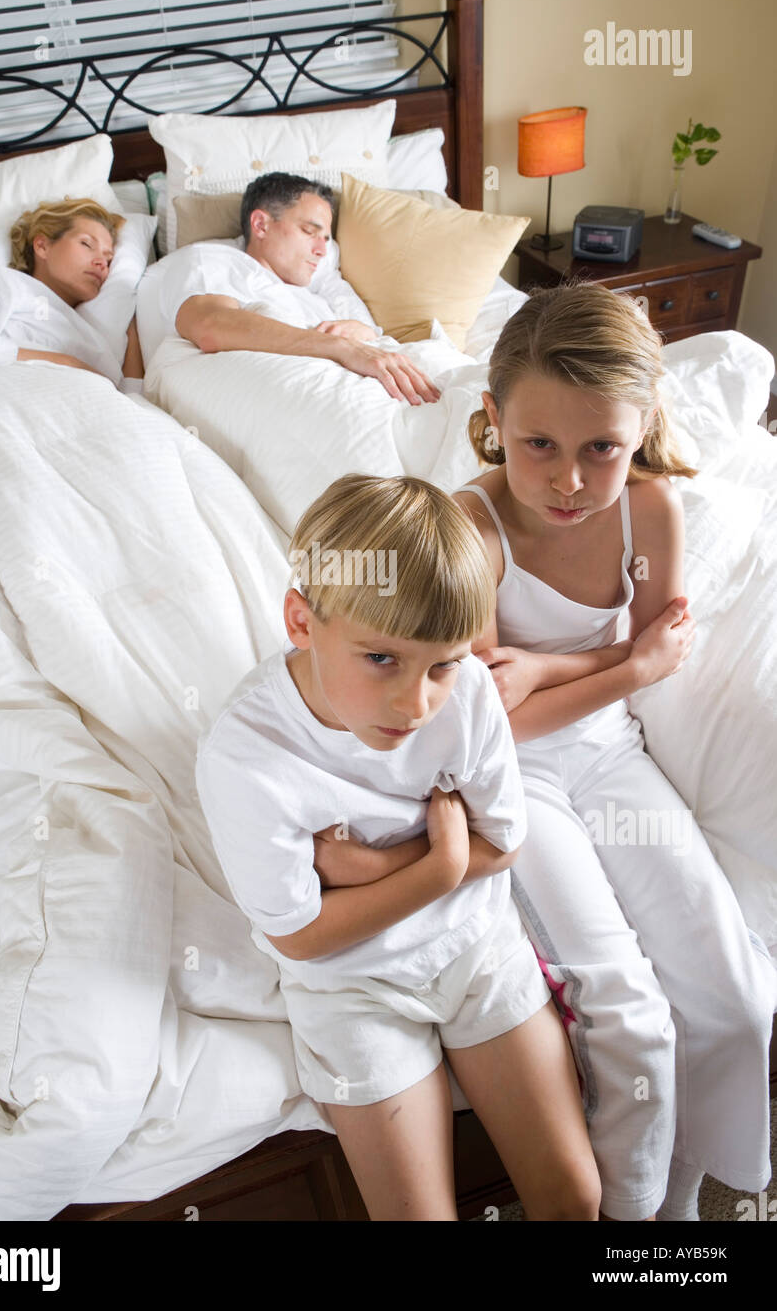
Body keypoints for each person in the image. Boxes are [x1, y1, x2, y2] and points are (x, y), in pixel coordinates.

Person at [450, 282, 777, 1222]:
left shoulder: (650, 512)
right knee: (627, 1011)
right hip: (515, 778)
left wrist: (576, 668)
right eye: (536, 445)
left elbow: (645, 648)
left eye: (601, 449)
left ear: (640, 431)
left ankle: (676, 1206)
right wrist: (625, 667)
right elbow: (494, 724)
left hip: (609, 759)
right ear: (492, 421)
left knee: (738, 997)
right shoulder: (470, 529)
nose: (566, 481)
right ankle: (624, 1224)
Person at [196, 473, 602, 1221]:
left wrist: (375, 869)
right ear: (301, 621)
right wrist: (441, 864)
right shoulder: (246, 758)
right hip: (354, 989)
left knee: (576, 1199)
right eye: (381, 659)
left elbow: (503, 844)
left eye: (441, 665)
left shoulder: (471, 691)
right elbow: (302, 935)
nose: (416, 705)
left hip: (475, 947)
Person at [165, 172, 439, 407]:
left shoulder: (323, 290)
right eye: (309, 231)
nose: (321, 251)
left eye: (326, 240)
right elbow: (210, 325)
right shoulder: (216, 261)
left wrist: (361, 332)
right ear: (261, 224)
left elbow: (376, 339)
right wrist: (341, 347)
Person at [0, 198, 143, 392]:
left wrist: (129, 312)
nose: (102, 262)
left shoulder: (95, 333)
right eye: (86, 244)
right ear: (42, 245)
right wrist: (66, 363)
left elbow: (133, 396)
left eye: (109, 258)